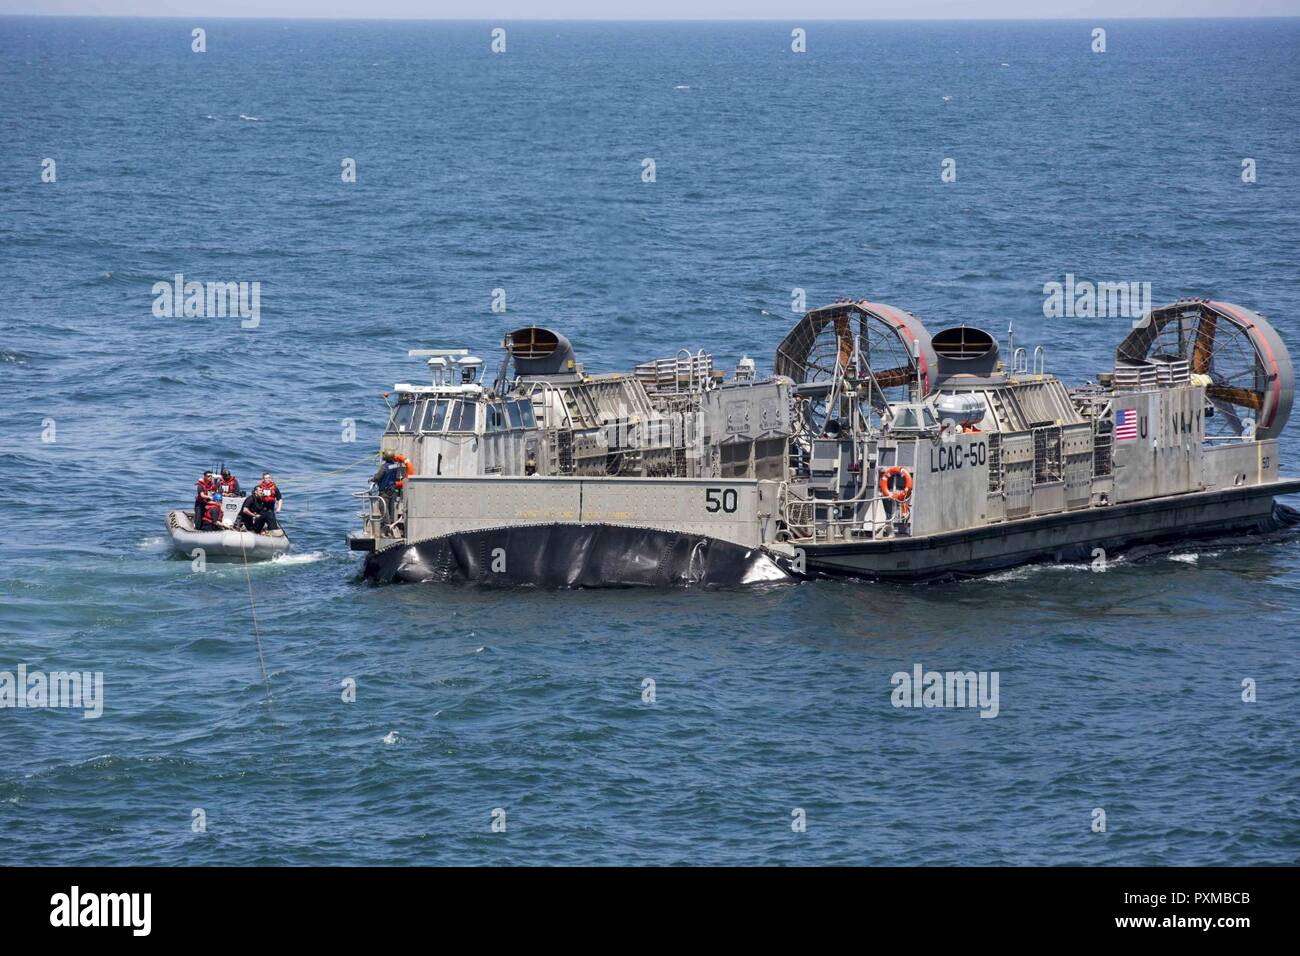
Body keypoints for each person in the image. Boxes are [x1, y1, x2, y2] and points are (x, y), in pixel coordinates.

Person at [370, 450, 406, 533]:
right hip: (393, 490)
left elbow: (378, 477)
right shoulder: (395, 466)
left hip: (385, 492)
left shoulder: (384, 467)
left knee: (383, 509)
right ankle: (391, 525)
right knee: (391, 509)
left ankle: (387, 529)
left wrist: (372, 479)